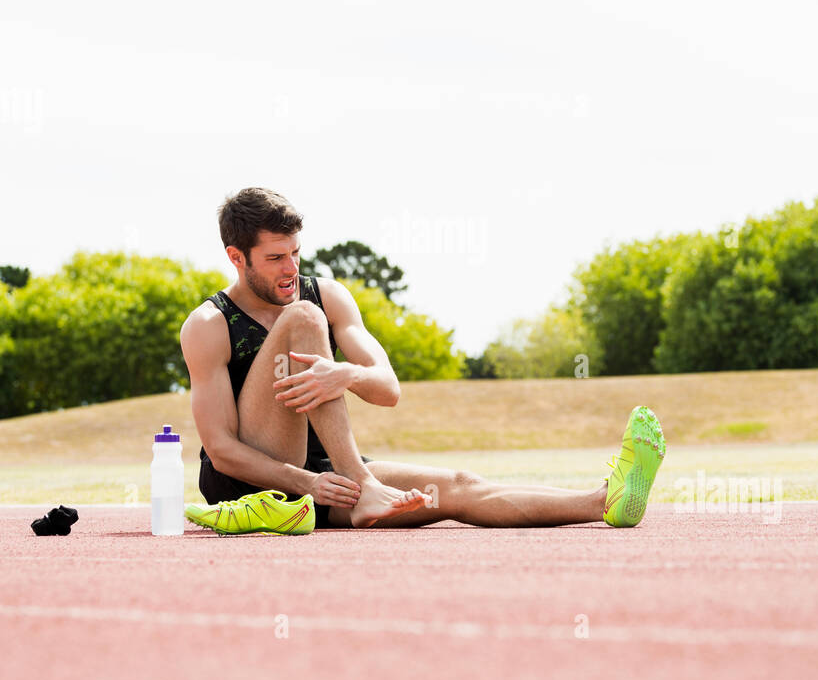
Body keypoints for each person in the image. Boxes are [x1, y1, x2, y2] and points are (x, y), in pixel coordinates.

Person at [180, 186, 665, 532]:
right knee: (304, 318)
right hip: (248, 485)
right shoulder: (209, 324)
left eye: (296, 254)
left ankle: (605, 501)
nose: (292, 269)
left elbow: (387, 389)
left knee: (457, 486)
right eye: (275, 259)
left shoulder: (328, 294)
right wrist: (313, 482)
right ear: (236, 257)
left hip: (324, 480)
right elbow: (221, 450)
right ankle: (363, 486)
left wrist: (345, 374)